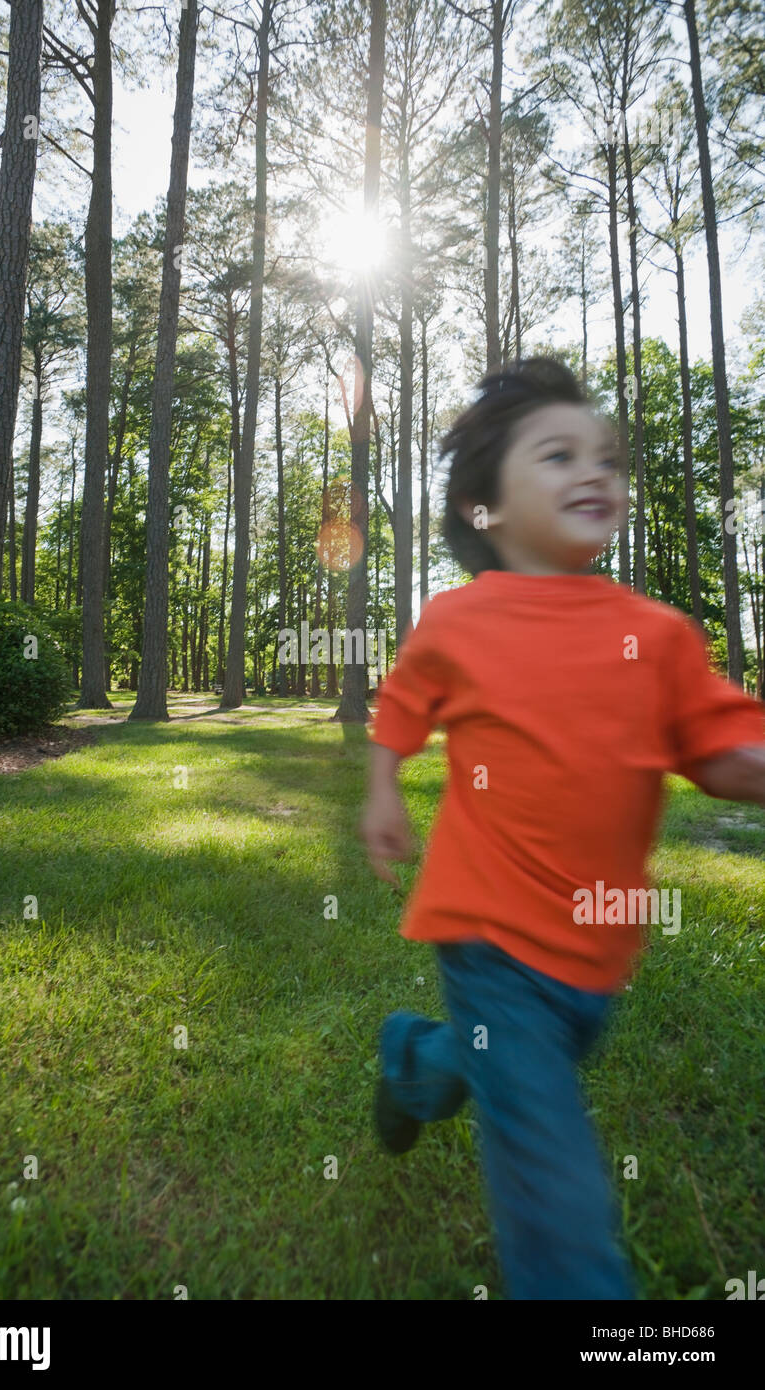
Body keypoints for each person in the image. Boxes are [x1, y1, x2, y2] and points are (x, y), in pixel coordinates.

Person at [360, 357, 765, 1301]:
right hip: (489, 937)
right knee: (559, 1193)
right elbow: (402, 702)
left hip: (596, 957)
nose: (595, 473)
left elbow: (722, 747)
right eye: (558, 455)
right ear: (483, 510)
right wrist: (383, 787)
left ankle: (416, 1061)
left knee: (501, 1064)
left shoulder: (658, 634)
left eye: (608, 459)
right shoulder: (458, 622)